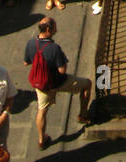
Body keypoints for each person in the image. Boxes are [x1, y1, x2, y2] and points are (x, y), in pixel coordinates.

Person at [24, 17, 92, 149]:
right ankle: (83, 115)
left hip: (42, 85)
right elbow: (62, 70)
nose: (57, 28)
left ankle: (41, 139)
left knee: (42, 111)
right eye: (55, 26)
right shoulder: (54, 48)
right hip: (58, 82)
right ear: (49, 30)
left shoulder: (31, 43)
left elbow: (26, 62)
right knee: (87, 84)